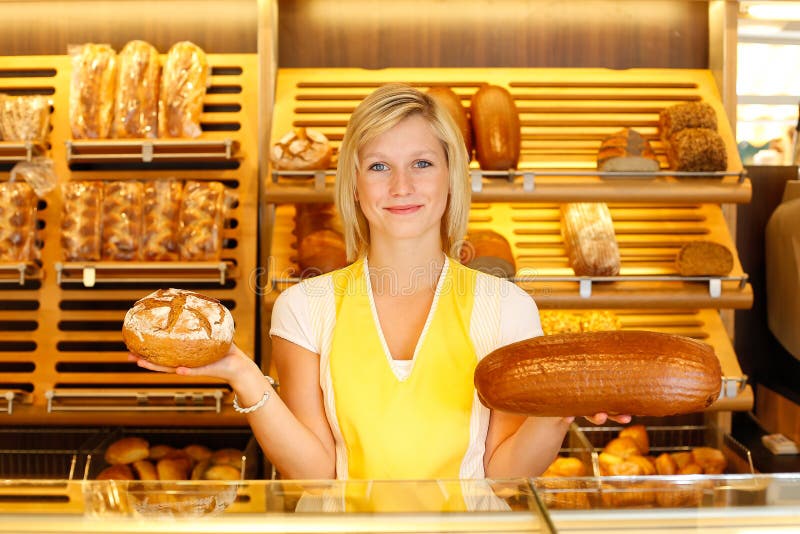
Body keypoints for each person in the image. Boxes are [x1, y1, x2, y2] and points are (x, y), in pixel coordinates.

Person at [130, 83, 629, 484]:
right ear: (354, 183)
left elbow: (502, 476)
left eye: (422, 163)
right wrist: (243, 373)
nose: (401, 186)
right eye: (379, 166)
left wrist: (558, 413)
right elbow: (313, 473)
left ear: (452, 176)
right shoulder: (306, 306)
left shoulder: (507, 308)